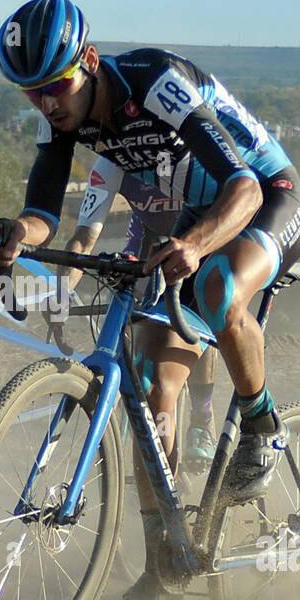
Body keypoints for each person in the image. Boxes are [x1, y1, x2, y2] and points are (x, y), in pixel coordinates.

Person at [0, 0, 300, 600]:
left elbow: (243, 187)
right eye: (32, 94)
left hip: (264, 195)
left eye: (55, 86)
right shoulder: (59, 117)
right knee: (151, 396)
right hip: (184, 220)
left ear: (89, 60)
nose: (47, 103)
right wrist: (16, 231)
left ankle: (262, 423)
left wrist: (193, 244)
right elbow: (46, 212)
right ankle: (162, 569)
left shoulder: (157, 84)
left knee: (218, 288)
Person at [66, 162, 220, 464]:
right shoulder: (112, 162)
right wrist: (59, 292)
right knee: (135, 340)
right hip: (148, 244)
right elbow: (84, 239)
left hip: (202, 247)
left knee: (201, 320)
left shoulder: (190, 156)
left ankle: (202, 418)